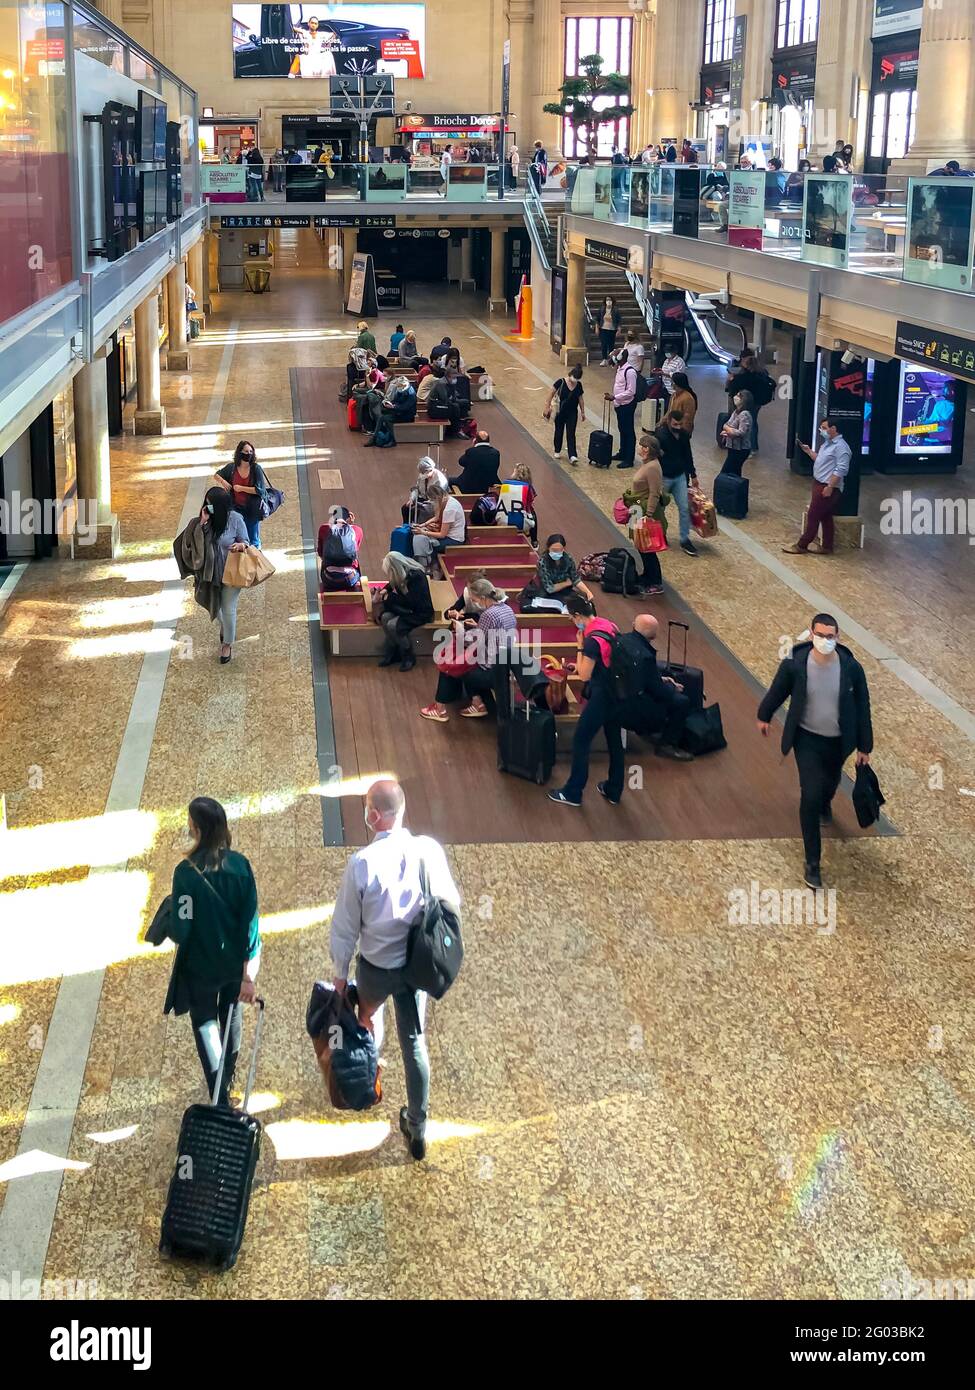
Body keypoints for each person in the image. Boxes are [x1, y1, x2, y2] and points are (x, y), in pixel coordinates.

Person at [330, 779, 460, 1160]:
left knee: (367, 1017)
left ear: (373, 816)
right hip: (416, 968)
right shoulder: (428, 851)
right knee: (415, 1041)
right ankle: (418, 1125)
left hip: (376, 968)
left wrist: (340, 979)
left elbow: (344, 929)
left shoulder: (362, 864)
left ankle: (368, 1081)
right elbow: (450, 902)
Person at [757, 614, 873, 889]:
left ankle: (825, 803)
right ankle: (812, 862)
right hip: (807, 739)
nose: (825, 640)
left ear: (838, 637)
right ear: (811, 634)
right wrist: (764, 715)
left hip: (839, 740)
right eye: (820, 635)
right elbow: (778, 691)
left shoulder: (851, 668)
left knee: (830, 783)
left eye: (830, 636)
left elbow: (863, 706)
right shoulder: (795, 665)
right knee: (810, 792)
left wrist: (864, 746)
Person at [163, 796, 261, 1106]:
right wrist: (248, 975)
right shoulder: (242, 867)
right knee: (231, 1016)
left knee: (205, 1022)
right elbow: (251, 925)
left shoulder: (185, 873)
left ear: (196, 828)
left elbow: (182, 928)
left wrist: (169, 915)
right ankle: (228, 1078)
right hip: (233, 966)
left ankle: (218, 1094)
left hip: (200, 966)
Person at [548, 608, 625, 807]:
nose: (573, 623)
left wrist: (580, 646)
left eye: (572, 618)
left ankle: (573, 792)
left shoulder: (589, 641)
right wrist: (581, 664)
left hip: (601, 697)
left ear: (578, 615)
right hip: (617, 692)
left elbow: (584, 676)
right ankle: (613, 790)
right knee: (615, 741)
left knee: (581, 740)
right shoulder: (608, 624)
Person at [420, 578, 516, 721]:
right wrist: (477, 627)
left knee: (450, 665)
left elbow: (477, 641)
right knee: (464, 660)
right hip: (505, 665)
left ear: (483, 598)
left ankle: (440, 709)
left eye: (474, 599)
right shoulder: (507, 609)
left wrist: (460, 631)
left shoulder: (488, 614)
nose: (474, 602)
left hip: (491, 669)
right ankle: (477, 703)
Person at [614, 615, 693, 757]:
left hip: (616, 697)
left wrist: (659, 679)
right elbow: (658, 691)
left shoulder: (620, 641)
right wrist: (673, 688)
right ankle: (667, 745)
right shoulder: (646, 656)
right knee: (682, 702)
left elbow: (635, 675)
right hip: (632, 708)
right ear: (654, 635)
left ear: (633, 625)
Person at [782, 418, 852, 556]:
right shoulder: (827, 444)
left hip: (827, 486)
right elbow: (821, 460)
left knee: (813, 515)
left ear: (834, 429)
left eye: (824, 428)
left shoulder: (842, 448)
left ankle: (802, 545)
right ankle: (827, 546)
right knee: (825, 516)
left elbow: (841, 469)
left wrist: (830, 487)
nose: (822, 431)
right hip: (819, 483)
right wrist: (809, 452)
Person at [376, 552, 434, 672]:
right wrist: (385, 590)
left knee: (393, 625)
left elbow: (411, 602)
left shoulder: (417, 577)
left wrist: (389, 598)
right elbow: (393, 583)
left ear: (395, 569)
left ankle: (408, 655)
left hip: (420, 612)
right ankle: (394, 652)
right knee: (385, 617)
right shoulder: (402, 573)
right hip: (408, 610)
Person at [625, 434, 667, 595]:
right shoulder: (647, 464)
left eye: (643, 446)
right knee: (641, 546)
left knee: (648, 548)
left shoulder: (653, 468)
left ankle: (655, 580)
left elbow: (654, 493)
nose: (640, 448)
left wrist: (648, 514)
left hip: (645, 512)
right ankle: (648, 576)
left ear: (649, 449)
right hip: (639, 510)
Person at [654, 410, 699, 557]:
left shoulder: (684, 435)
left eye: (680, 424)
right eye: (675, 424)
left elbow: (688, 455)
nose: (678, 427)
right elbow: (654, 457)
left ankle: (684, 539)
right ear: (669, 422)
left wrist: (693, 474)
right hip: (664, 477)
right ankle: (661, 534)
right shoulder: (660, 435)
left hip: (680, 476)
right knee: (660, 509)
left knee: (684, 508)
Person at [213, 440, 268, 548]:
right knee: (239, 537)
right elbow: (217, 475)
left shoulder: (256, 469)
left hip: (252, 509)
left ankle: (256, 559)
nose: (249, 454)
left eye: (251, 451)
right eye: (246, 451)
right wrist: (223, 482)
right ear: (240, 452)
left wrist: (241, 488)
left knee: (253, 539)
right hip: (236, 508)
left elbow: (260, 490)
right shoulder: (232, 468)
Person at [411, 483, 466, 574]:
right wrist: (423, 525)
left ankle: (433, 568)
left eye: (431, 500)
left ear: (436, 498)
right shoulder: (445, 500)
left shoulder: (449, 509)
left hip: (454, 539)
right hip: (448, 534)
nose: (431, 502)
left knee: (430, 545)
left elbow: (442, 534)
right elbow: (437, 518)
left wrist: (424, 532)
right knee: (424, 535)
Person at [725, 350, 774, 450]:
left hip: (747, 402)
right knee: (753, 422)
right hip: (758, 402)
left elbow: (731, 388)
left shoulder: (742, 376)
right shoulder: (762, 372)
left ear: (744, 362)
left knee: (745, 423)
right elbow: (772, 383)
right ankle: (754, 447)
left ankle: (746, 446)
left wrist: (731, 380)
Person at [535, 534, 594, 608]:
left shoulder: (568, 558)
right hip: (547, 592)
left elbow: (575, 579)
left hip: (564, 590)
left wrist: (588, 591)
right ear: (548, 548)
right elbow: (549, 588)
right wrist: (567, 583)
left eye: (559, 550)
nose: (556, 552)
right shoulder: (542, 561)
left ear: (563, 549)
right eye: (554, 550)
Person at [544, 365, 584, 465]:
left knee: (571, 433)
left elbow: (580, 399)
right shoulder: (560, 382)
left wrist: (582, 412)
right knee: (559, 430)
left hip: (572, 412)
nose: (574, 381)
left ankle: (572, 454)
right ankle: (557, 450)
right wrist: (547, 406)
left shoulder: (578, 385)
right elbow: (551, 393)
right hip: (560, 411)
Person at [318, 504, 363, 591]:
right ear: (349, 517)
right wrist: (351, 524)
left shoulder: (324, 528)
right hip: (350, 579)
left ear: (334, 517)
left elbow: (320, 553)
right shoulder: (357, 530)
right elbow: (355, 551)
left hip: (328, 579)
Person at [607, 349, 639, 469]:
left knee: (628, 431)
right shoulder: (620, 368)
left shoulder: (630, 372)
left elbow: (631, 391)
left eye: (615, 356)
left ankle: (629, 459)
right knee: (622, 429)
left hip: (627, 405)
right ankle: (622, 452)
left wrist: (615, 396)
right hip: (619, 404)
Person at [719, 389, 755, 477]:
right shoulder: (736, 412)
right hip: (733, 447)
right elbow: (726, 424)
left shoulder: (744, 414)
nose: (736, 397)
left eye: (739, 396)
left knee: (726, 471)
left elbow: (741, 432)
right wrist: (729, 430)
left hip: (740, 449)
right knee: (734, 472)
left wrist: (729, 431)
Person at [403, 455, 448, 523]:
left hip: (433, 503)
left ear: (431, 469)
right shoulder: (422, 476)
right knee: (405, 508)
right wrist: (412, 499)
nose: (423, 474)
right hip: (423, 498)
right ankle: (406, 527)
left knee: (416, 511)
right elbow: (416, 488)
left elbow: (438, 499)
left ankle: (416, 527)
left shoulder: (440, 480)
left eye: (425, 472)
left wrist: (422, 504)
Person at [426, 369, 467, 438]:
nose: (455, 380)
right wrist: (453, 400)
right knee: (455, 407)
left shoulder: (450, 383)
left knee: (465, 402)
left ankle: (460, 425)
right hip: (434, 408)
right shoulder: (440, 383)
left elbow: (454, 396)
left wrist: (454, 399)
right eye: (454, 378)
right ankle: (456, 431)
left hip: (442, 404)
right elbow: (444, 399)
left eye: (456, 378)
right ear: (448, 377)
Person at [668, 372, 697, 436]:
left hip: (681, 431)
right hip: (671, 427)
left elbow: (687, 419)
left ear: (677, 383)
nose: (671, 383)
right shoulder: (673, 395)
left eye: (672, 381)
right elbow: (669, 412)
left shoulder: (688, 398)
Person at [597, 296, 622, 366]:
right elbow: (598, 319)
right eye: (607, 300)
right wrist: (597, 327)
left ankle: (611, 359)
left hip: (612, 330)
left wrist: (619, 330)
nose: (608, 301)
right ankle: (604, 359)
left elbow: (619, 320)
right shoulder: (602, 309)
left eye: (610, 300)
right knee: (604, 344)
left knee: (611, 345)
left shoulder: (615, 310)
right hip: (603, 329)